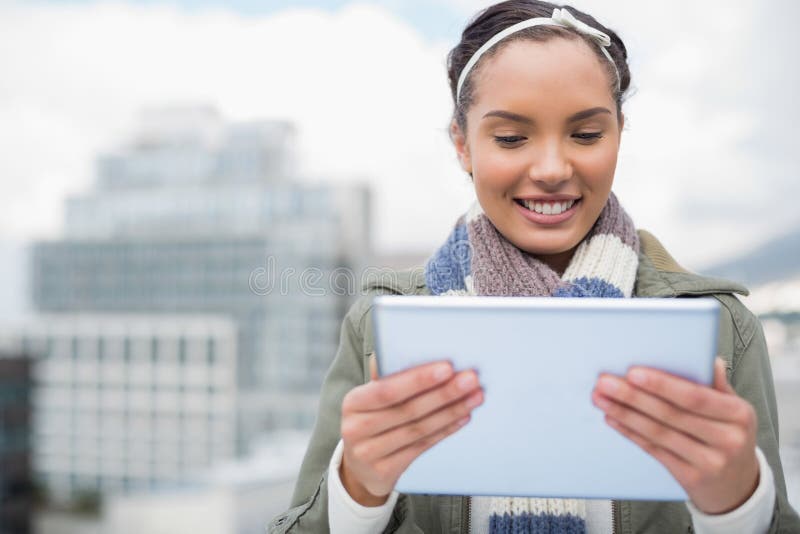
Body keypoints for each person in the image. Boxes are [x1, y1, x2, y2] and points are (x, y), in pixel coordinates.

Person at [269, 1, 800, 532]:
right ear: (462, 145)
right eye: (511, 138)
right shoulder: (383, 326)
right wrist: (358, 488)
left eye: (587, 135)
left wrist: (738, 502)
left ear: (619, 133)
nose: (551, 169)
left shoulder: (722, 331)